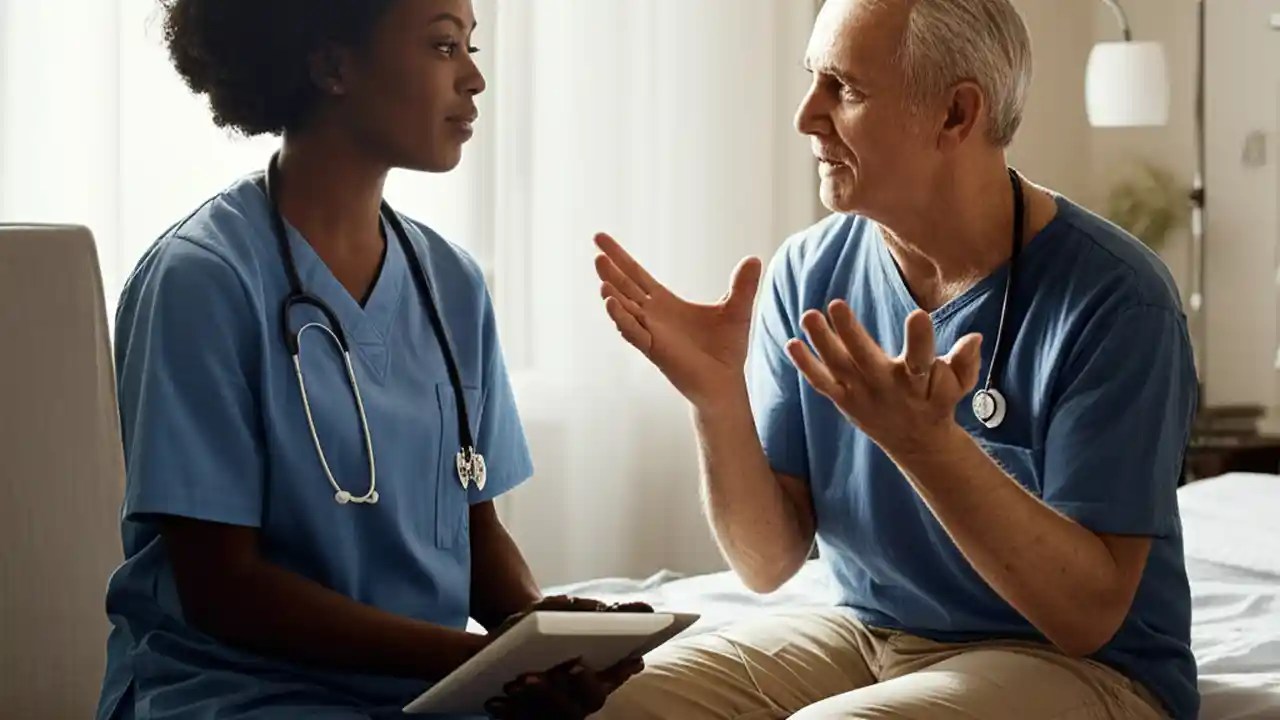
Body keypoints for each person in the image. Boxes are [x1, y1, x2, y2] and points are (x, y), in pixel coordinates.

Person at [592, 0, 1198, 718]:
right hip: (869, 631)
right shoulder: (807, 272)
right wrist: (717, 400)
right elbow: (767, 563)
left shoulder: (1118, 298)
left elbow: (1085, 616)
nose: (805, 116)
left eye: (843, 88)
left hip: (1080, 666)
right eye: (812, 79)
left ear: (955, 115)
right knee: (613, 700)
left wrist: (925, 445)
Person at [95, 2, 647, 718]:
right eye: (443, 46)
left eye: (471, 47)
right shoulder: (203, 278)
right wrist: (478, 660)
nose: (474, 78)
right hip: (237, 695)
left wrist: (535, 636)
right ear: (334, 66)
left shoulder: (450, 283)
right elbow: (222, 588)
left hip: (426, 693)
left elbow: (473, 528)